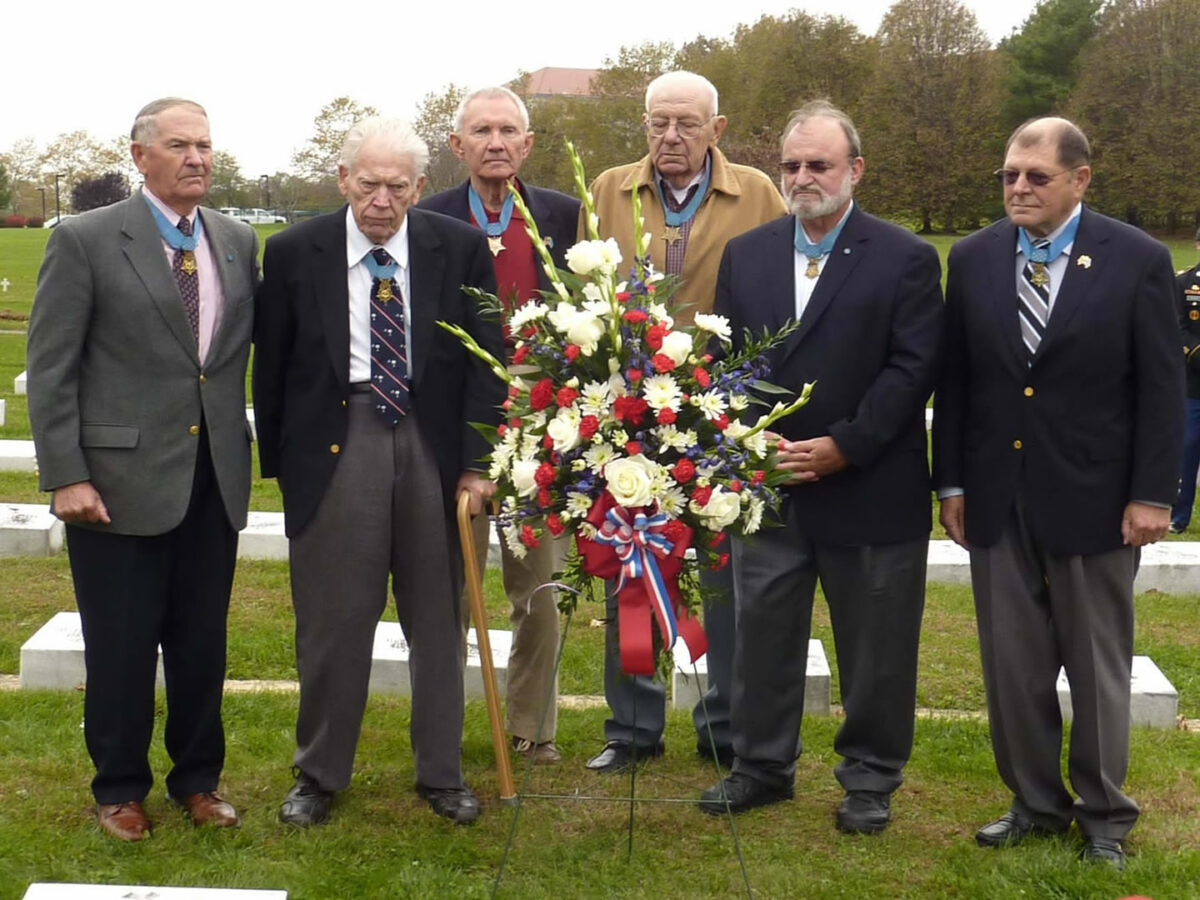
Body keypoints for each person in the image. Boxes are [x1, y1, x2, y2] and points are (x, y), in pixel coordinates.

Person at [932, 117, 1183, 870]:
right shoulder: (973, 257)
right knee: (1013, 665)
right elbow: (958, 380)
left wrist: (1153, 495)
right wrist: (952, 482)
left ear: (1080, 179)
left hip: (1098, 499)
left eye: (1036, 176)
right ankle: (1035, 804)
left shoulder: (1137, 259)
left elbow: (1162, 389)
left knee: (1097, 666)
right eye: (1009, 175)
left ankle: (1105, 817)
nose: (1018, 188)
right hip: (996, 496)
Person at [697, 102, 943, 834]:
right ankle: (761, 766)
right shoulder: (748, 253)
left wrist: (846, 444)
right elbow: (724, 361)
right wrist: (748, 439)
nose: (803, 177)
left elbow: (913, 367)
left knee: (876, 649)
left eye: (819, 165)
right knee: (762, 636)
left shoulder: (904, 256)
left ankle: (869, 777)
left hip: (869, 485)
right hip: (770, 486)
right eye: (792, 165)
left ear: (855, 170)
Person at [252, 117, 506, 826]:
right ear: (343, 180)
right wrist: (288, 470)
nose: (382, 201)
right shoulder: (294, 252)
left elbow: (488, 359)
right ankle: (319, 773)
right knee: (334, 621)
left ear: (420, 187)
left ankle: (442, 773)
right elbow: (272, 370)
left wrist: (478, 462)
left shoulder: (458, 247)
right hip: (339, 443)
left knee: (439, 617)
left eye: (398, 187)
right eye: (368, 185)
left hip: (434, 445)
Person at [26, 97, 257, 841]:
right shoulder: (86, 239)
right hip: (115, 486)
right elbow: (52, 366)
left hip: (212, 478)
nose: (197, 158)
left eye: (205, 145)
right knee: (121, 647)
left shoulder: (236, 240)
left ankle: (198, 781)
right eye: (180, 145)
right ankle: (120, 788)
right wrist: (66, 474)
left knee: (201, 646)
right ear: (140, 155)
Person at [583, 70, 788, 774]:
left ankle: (724, 725)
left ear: (716, 129)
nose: (670, 137)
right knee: (630, 560)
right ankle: (631, 727)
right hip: (630, 409)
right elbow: (586, 298)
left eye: (687, 124)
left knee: (726, 570)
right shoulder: (608, 189)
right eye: (658, 122)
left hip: (718, 409)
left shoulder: (757, 193)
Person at [419, 86, 580, 764]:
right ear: (457, 146)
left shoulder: (564, 215)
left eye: (508, 130)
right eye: (481, 131)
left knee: (539, 583)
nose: (495, 142)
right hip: (458, 420)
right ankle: (442, 726)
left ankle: (531, 726)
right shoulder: (427, 217)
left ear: (527, 143)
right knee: (449, 585)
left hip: (543, 422)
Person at [1169, 227, 1200, 533]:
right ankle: (1178, 517)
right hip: (1194, 384)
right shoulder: (1183, 283)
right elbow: (1176, 327)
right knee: (1187, 448)